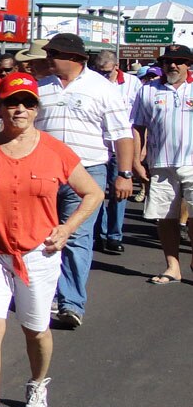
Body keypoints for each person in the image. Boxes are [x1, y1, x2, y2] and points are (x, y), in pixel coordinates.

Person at [0, 73, 102, 407]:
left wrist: (66, 229)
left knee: (36, 329)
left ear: (37, 109)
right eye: (11, 102)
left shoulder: (55, 150)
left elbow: (93, 193)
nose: (20, 109)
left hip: (39, 252)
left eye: (28, 103)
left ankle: (36, 383)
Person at [35, 32, 133, 329]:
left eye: (55, 53)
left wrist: (124, 174)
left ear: (75, 59)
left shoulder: (102, 89)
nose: (49, 58)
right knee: (44, 234)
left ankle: (71, 303)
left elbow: (122, 134)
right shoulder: (41, 88)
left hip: (87, 173)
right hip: (44, 173)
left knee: (77, 236)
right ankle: (43, 294)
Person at [131, 44, 193, 284]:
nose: (173, 65)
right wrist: (137, 160)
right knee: (165, 218)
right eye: (168, 61)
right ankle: (172, 267)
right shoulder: (147, 91)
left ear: (188, 65)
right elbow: (138, 126)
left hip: (191, 162)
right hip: (161, 163)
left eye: (179, 61)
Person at [90, 48, 141, 254]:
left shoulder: (132, 84)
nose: (103, 76)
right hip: (98, 146)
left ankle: (114, 235)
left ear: (117, 68)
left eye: (107, 72)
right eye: (99, 71)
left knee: (118, 193)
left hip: (120, 146)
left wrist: (139, 151)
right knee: (97, 194)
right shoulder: (91, 82)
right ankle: (99, 234)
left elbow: (137, 119)